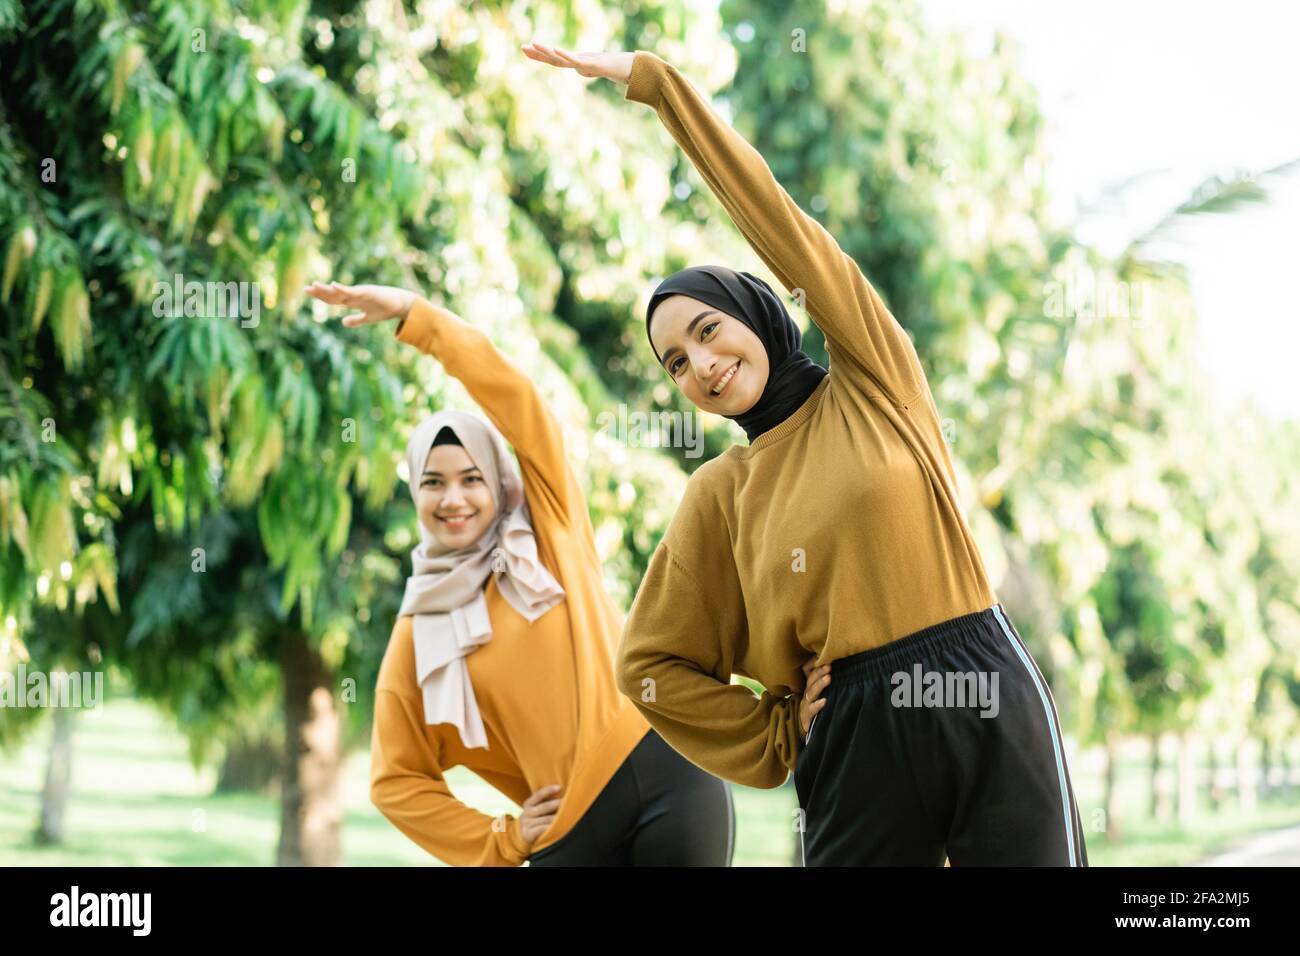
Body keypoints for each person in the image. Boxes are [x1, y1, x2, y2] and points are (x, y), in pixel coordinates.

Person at [522, 43, 1087, 866]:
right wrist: (775, 731)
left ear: (757, 313)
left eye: (707, 330)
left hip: (979, 687)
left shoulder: (874, 384)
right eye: (674, 362)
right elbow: (647, 666)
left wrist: (659, 90)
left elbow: (783, 228)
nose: (700, 365)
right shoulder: (722, 491)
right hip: (853, 733)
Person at [306, 280, 735, 866]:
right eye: (433, 482)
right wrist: (502, 839)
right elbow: (395, 780)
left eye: (470, 478)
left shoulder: (547, 530)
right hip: (567, 833)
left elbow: (517, 401)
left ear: (497, 480)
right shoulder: (418, 630)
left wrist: (416, 316)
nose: (452, 498)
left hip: (667, 772)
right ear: (415, 493)